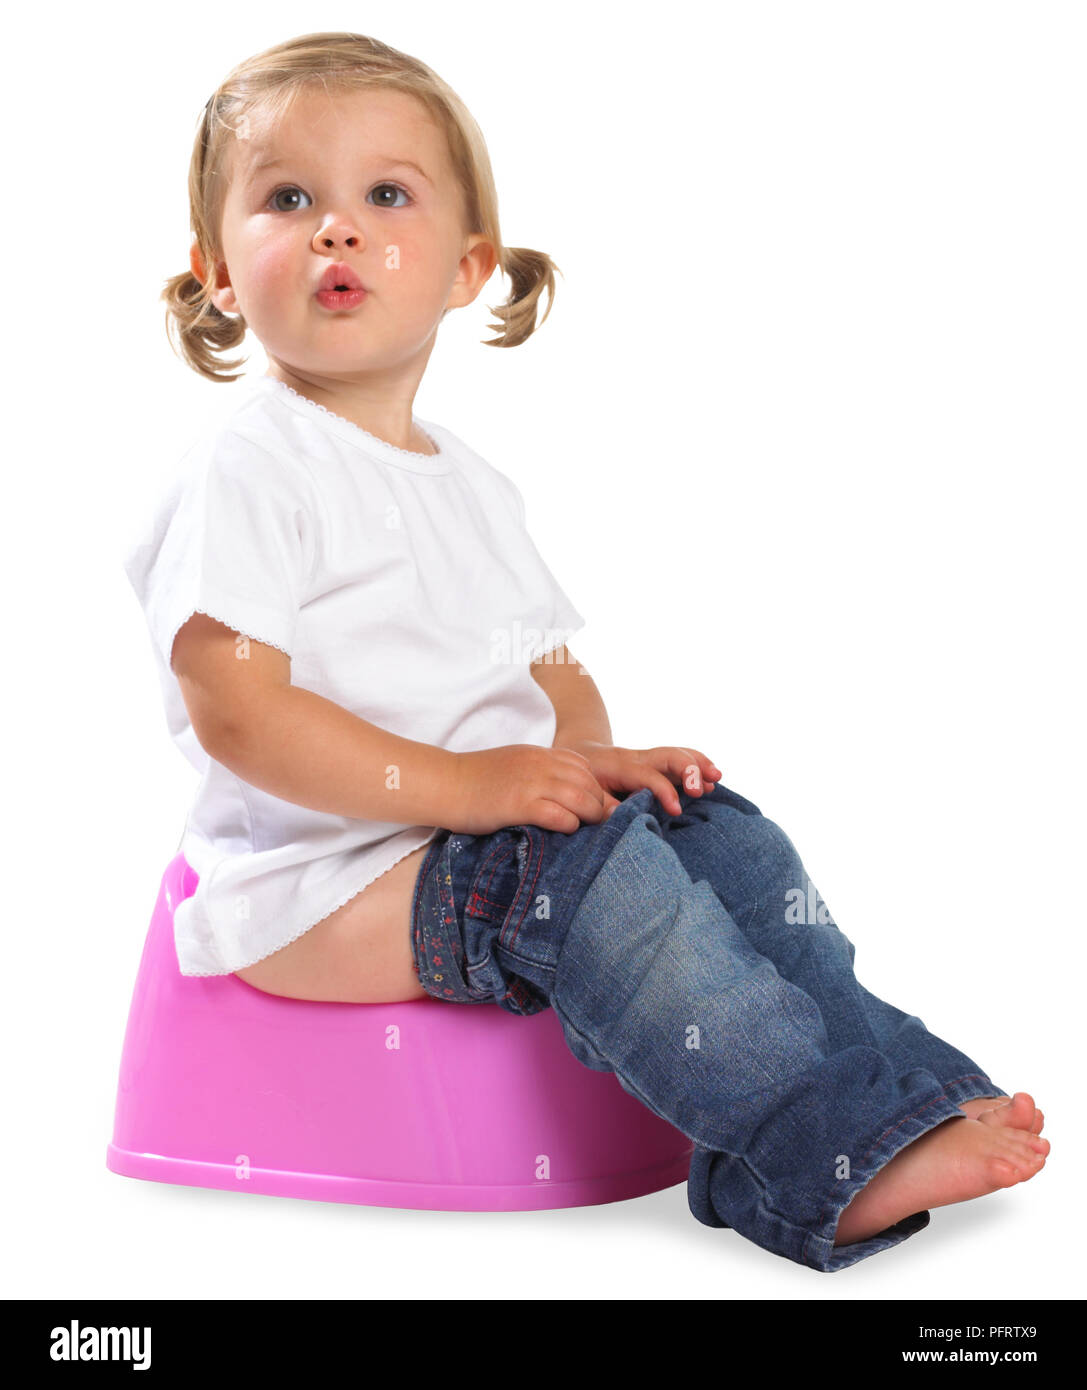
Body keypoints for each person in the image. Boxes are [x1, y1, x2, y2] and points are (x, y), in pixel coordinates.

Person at [122, 30, 1048, 1272]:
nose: (335, 229)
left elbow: (546, 671)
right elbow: (237, 708)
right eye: (288, 199)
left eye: (383, 196)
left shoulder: (469, 484)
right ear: (220, 271)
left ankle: (901, 1094)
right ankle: (806, 1161)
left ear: (466, 267)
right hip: (325, 879)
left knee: (724, 835)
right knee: (585, 890)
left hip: (464, 842)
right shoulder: (254, 466)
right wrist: (471, 790)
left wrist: (593, 767)